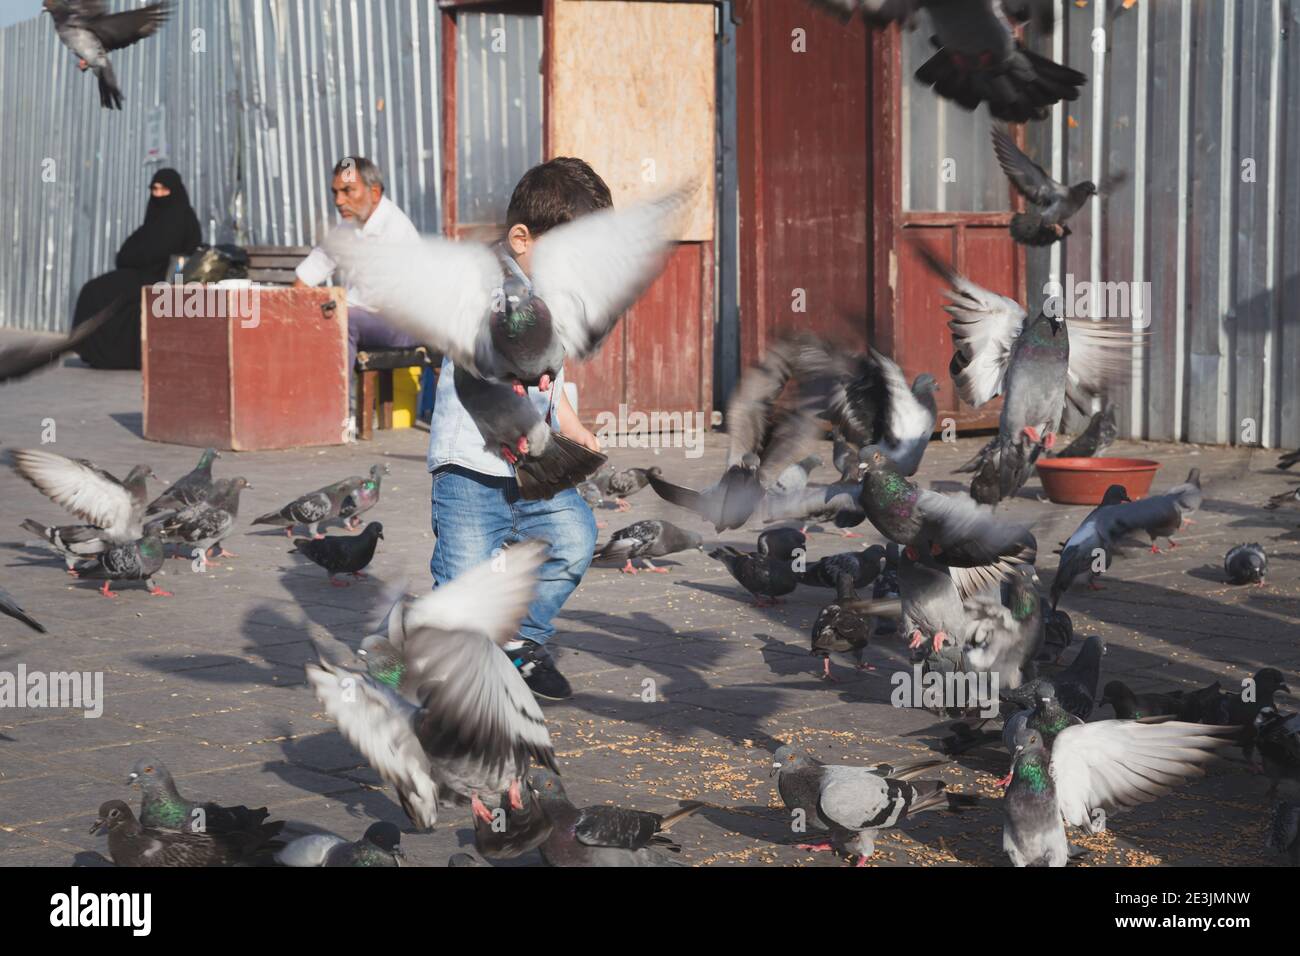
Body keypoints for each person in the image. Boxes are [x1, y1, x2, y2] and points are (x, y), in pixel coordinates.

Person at [427, 157, 607, 701]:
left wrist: (570, 420)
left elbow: (552, 375)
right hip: (471, 471)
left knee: (575, 537)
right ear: (522, 238)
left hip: (535, 468)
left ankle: (520, 642)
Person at [293, 156, 423, 385]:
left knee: (341, 319)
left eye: (348, 191)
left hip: (403, 325)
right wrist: (294, 304)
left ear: (374, 193)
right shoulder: (351, 224)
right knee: (301, 317)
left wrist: (324, 306)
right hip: (368, 315)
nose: (339, 200)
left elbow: (373, 299)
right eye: (335, 192)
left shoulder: (394, 229)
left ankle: (337, 410)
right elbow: (316, 265)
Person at [71, 168, 203, 369]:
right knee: (94, 290)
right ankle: (95, 353)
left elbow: (157, 249)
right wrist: (135, 256)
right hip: (141, 273)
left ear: (174, 190)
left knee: (102, 293)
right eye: (155, 190)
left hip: (162, 278)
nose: (158, 195)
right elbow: (131, 250)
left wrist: (135, 256)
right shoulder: (156, 217)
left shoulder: (181, 217)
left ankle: (112, 355)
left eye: (164, 190)